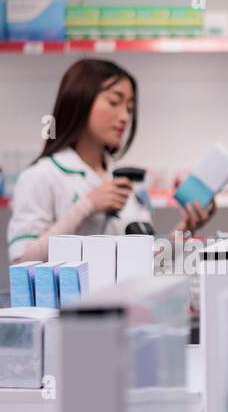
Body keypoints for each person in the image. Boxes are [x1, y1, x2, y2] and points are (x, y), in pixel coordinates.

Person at [8, 59, 214, 264]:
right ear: (80, 100)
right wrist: (86, 207)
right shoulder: (41, 176)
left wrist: (186, 228)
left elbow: (146, 265)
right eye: (114, 102)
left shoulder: (121, 181)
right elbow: (22, 261)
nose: (125, 117)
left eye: (130, 108)